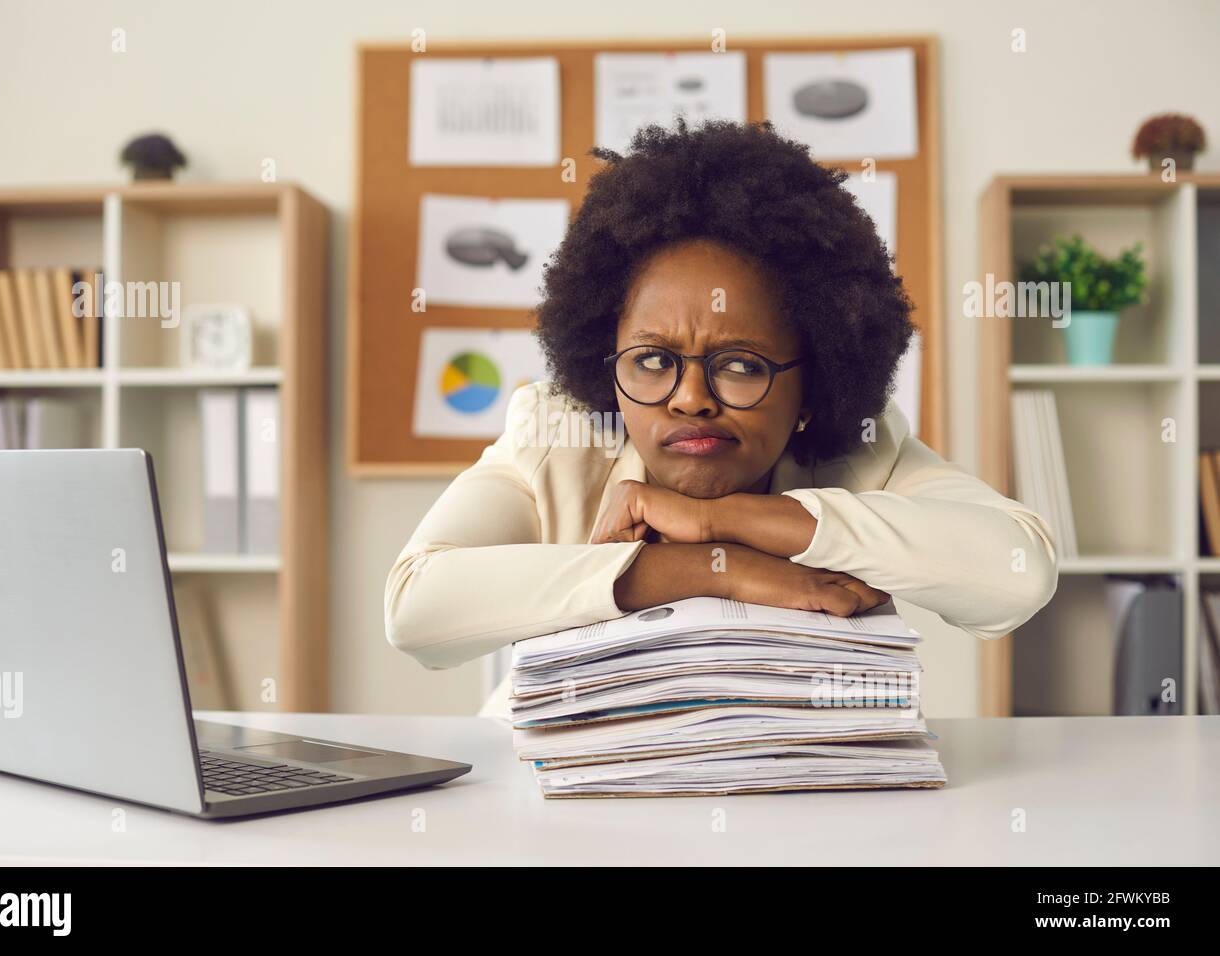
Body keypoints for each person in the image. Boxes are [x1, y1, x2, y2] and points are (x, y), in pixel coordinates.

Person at [384, 120, 1057, 713]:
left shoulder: (861, 453)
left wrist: (724, 521)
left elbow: (1017, 571)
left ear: (812, 384)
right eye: (651, 360)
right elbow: (416, 608)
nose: (688, 398)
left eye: (741, 364)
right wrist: (715, 566)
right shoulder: (556, 439)